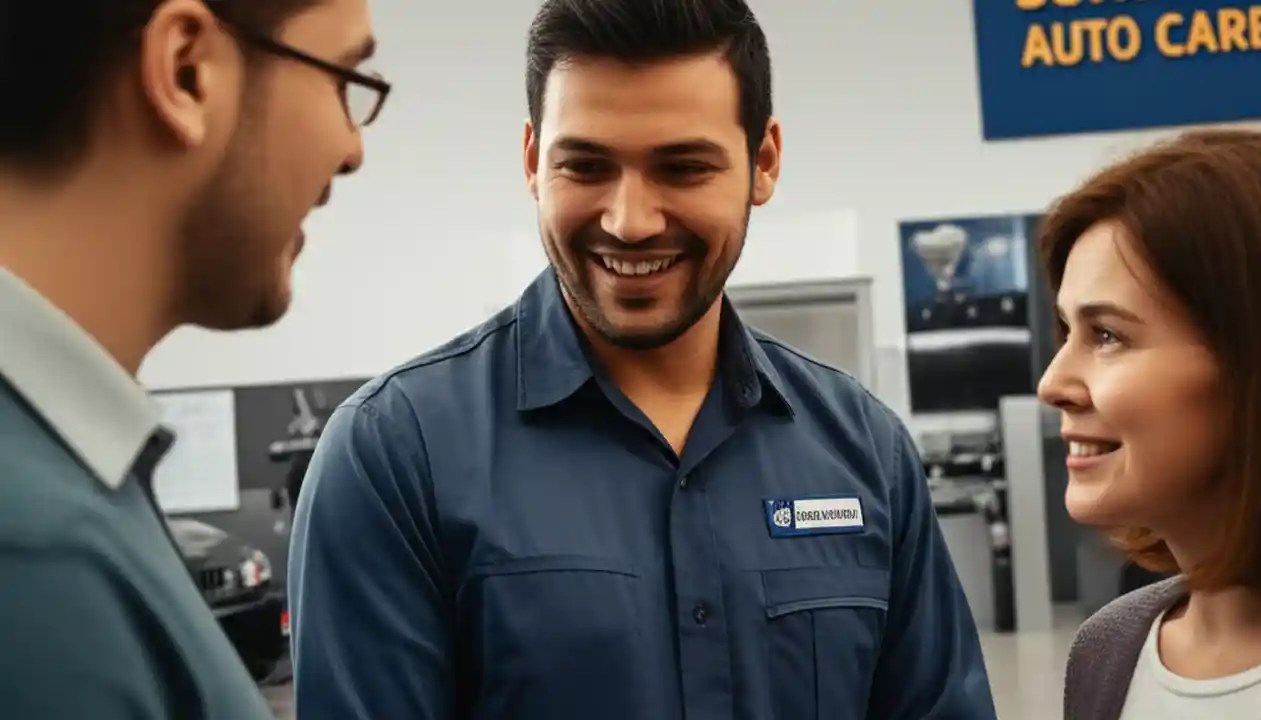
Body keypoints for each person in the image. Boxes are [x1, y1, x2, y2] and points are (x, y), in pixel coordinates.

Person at [288, 0, 996, 718]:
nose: (630, 222)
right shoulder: (396, 458)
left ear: (763, 162)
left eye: (683, 168)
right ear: (533, 161)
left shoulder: (866, 451)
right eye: (586, 166)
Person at [0, 0, 385, 717]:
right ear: (186, 71)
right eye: (343, 80)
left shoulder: (70, 482)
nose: (352, 148)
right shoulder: (34, 557)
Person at [1037, 129, 1261, 719]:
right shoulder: (1108, 650)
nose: (1052, 384)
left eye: (1107, 335)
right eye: (1067, 332)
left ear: (1256, 359)